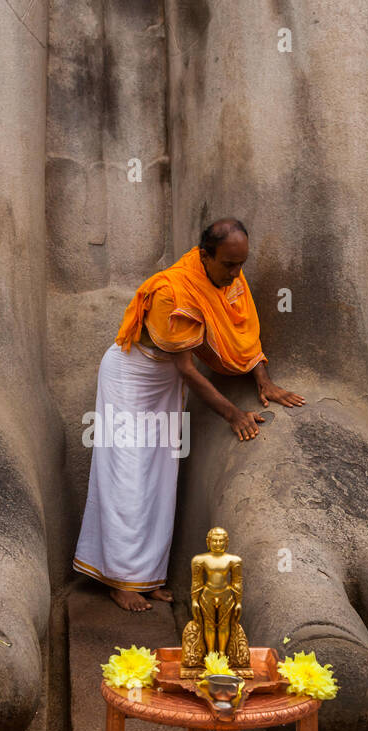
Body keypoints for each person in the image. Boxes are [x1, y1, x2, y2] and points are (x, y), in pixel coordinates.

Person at [73, 218, 305, 612]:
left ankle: (145, 577)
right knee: (125, 473)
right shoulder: (173, 290)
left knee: (160, 477)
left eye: (241, 264)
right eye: (229, 264)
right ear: (204, 256)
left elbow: (244, 334)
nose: (236, 274)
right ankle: (119, 580)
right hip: (132, 375)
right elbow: (188, 369)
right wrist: (233, 414)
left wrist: (263, 381)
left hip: (163, 381)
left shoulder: (228, 278)